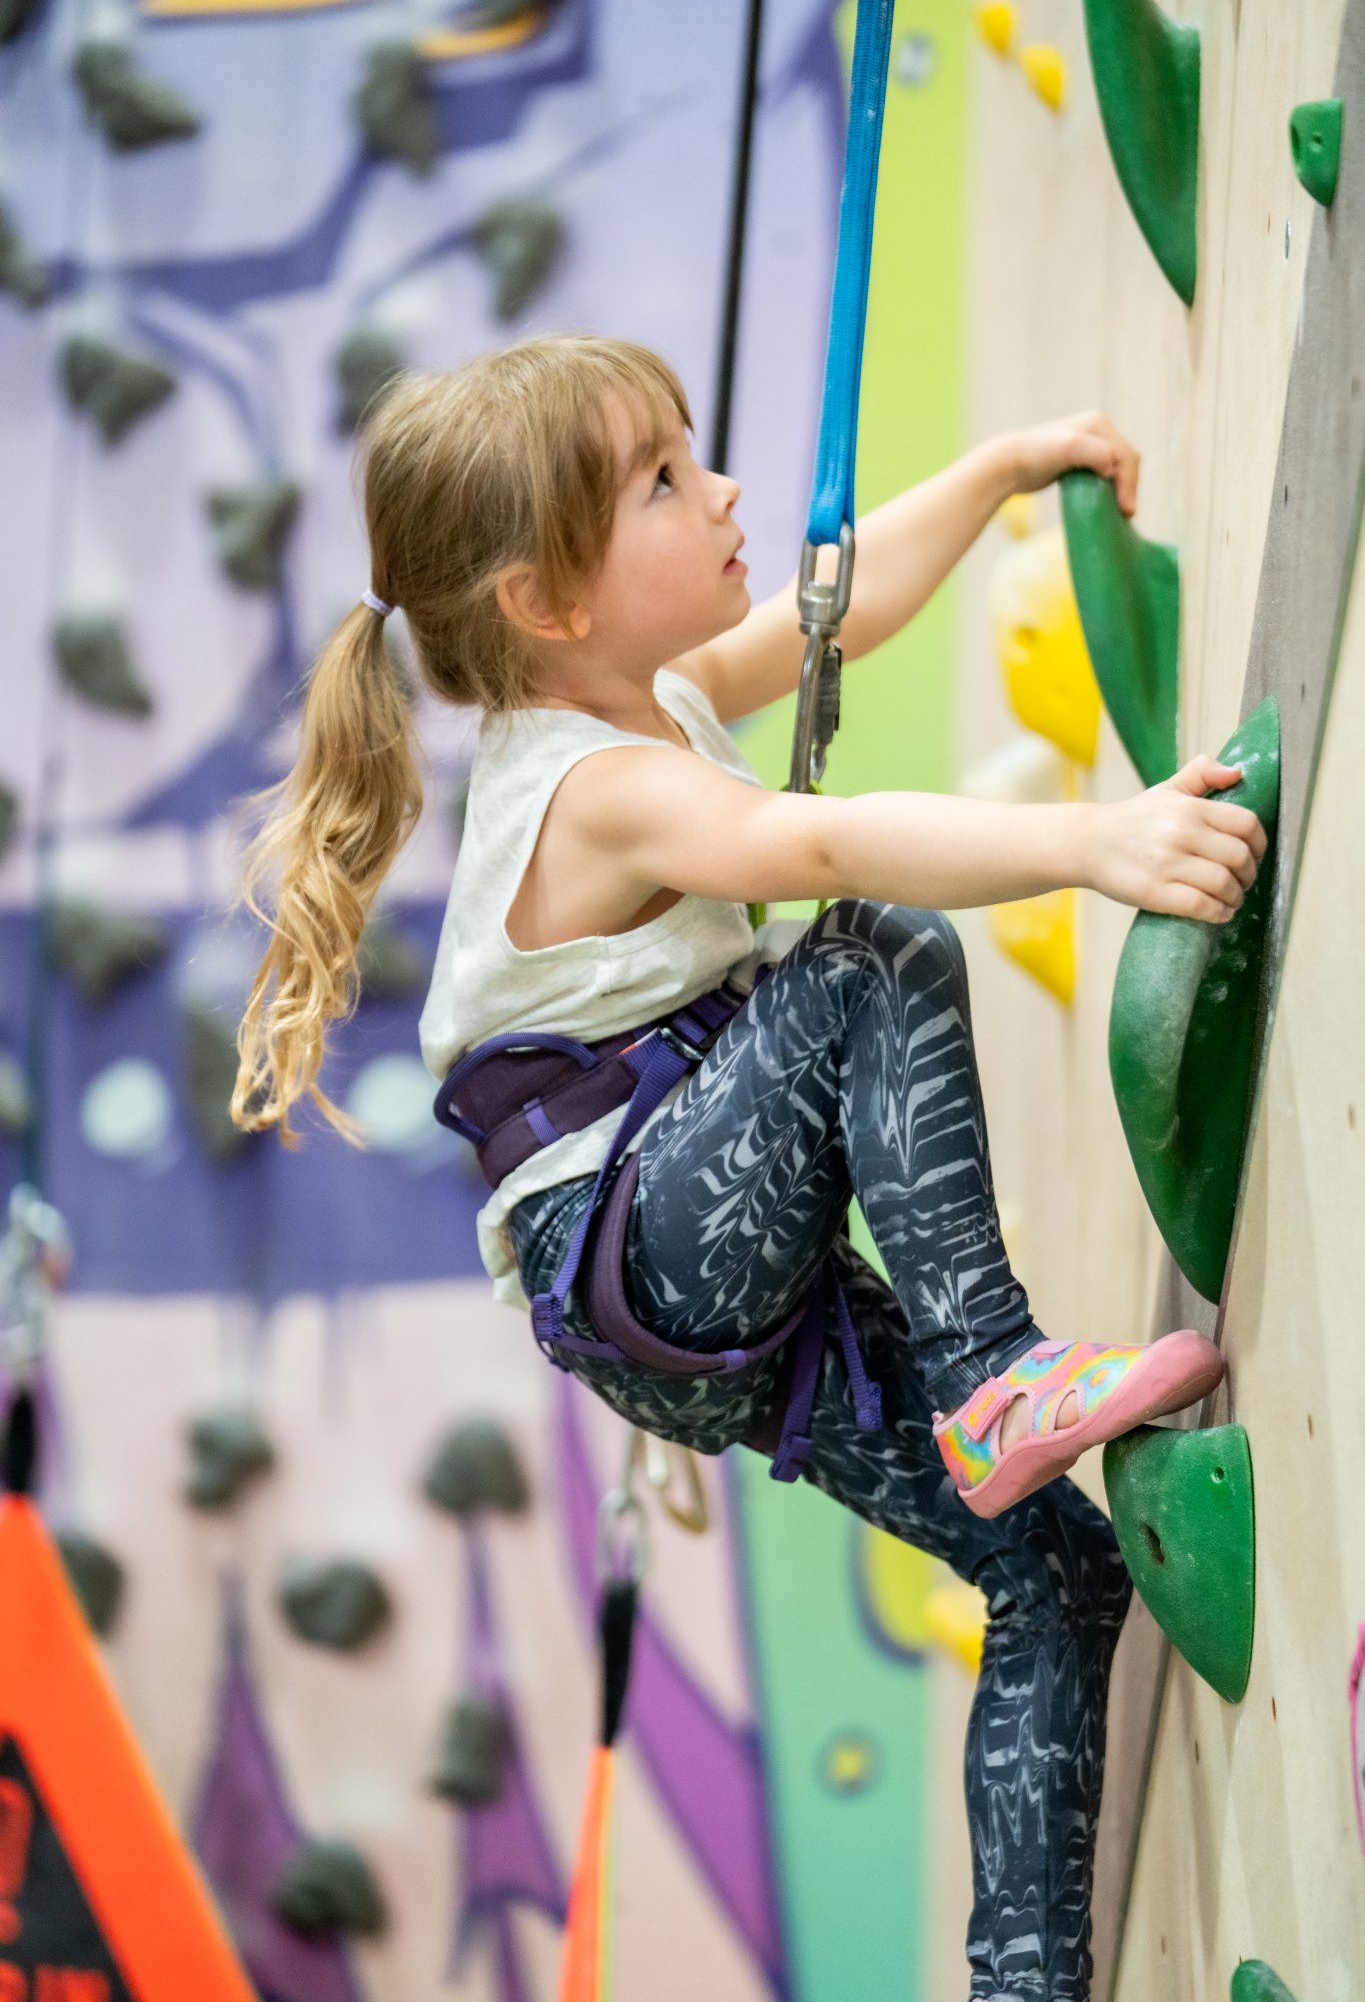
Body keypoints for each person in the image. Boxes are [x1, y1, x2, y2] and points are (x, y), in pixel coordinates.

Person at [229, 333, 1266, 1999]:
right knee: (862, 956)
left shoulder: (656, 700)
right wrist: (1096, 843)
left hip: (688, 1275)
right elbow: (822, 846)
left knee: (1053, 1572)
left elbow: (834, 610)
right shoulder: (600, 788)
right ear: (549, 604)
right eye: (661, 481)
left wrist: (997, 468)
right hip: (646, 1241)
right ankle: (994, 1375)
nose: (719, 491)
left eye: (689, 454)